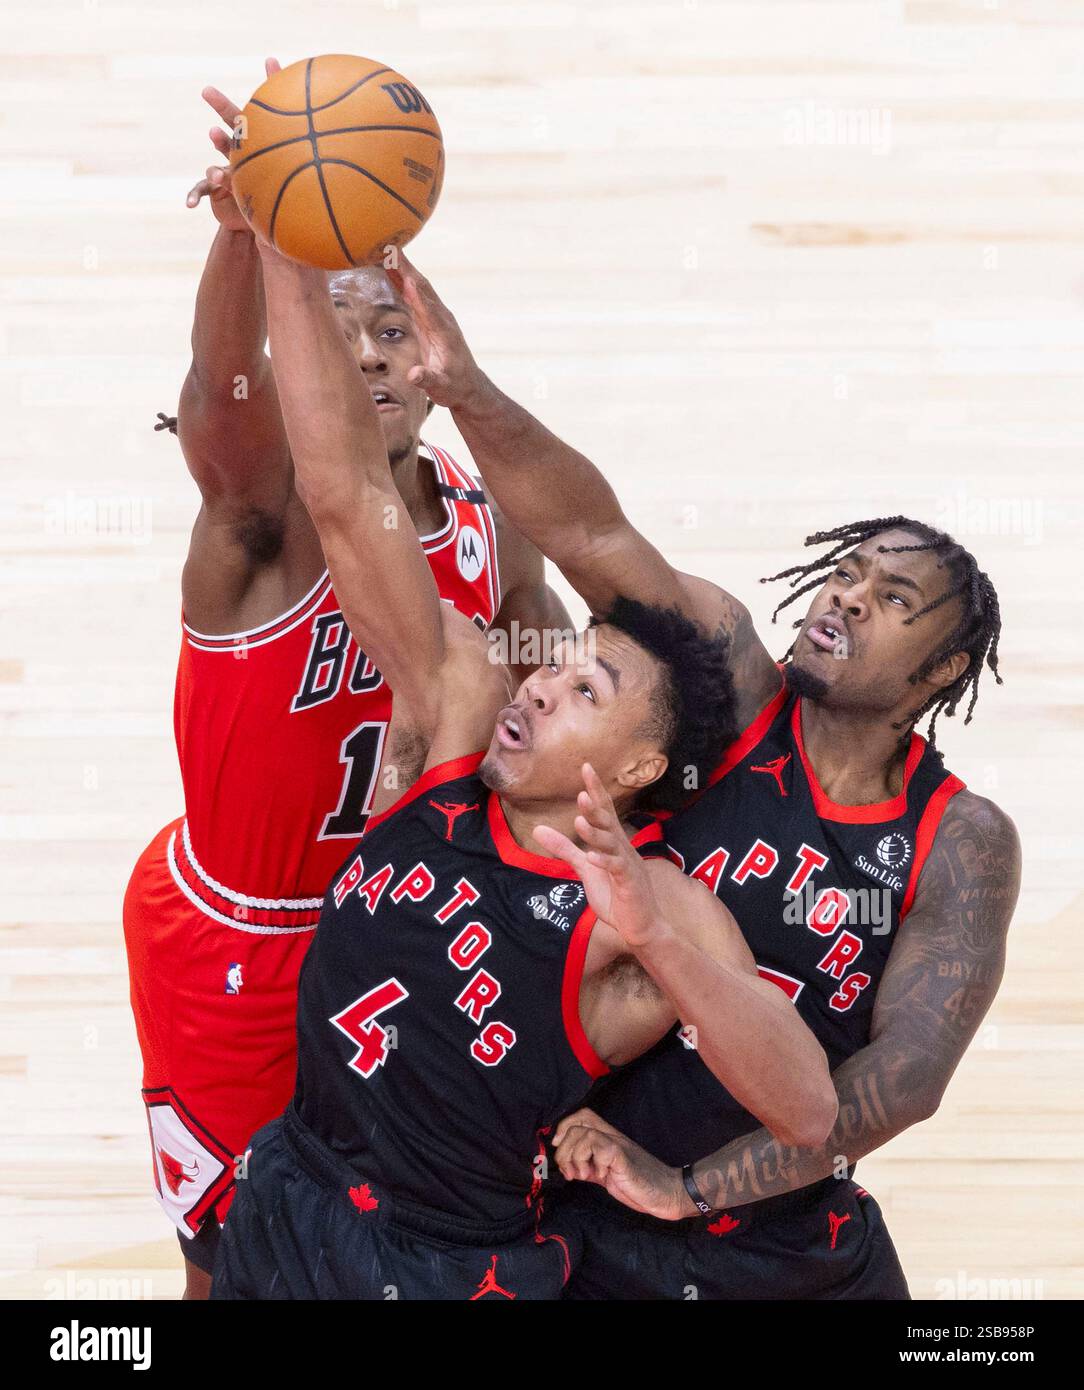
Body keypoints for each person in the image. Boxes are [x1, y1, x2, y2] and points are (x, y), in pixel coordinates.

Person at [210, 227, 838, 1301]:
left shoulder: (653, 908)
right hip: (291, 1186)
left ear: (641, 761)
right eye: (558, 665)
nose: (541, 682)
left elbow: (808, 1113)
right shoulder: (456, 716)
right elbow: (344, 498)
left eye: (585, 689)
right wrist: (282, 245)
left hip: (444, 1264)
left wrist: (655, 942)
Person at [380, 257, 1022, 1299]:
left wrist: (689, 1185)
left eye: (891, 596)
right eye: (848, 570)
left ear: (944, 668)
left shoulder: (959, 839)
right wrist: (464, 389)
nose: (847, 597)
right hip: (579, 1210)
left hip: (780, 1239)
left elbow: (903, 1079)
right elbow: (590, 531)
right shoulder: (722, 690)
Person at [122, 64, 568, 1300]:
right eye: (336, 326)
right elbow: (221, 402)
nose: (369, 352)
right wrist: (242, 243)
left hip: (417, 925)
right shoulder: (259, 534)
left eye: (390, 326)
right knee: (232, 1252)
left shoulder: (491, 513)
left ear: (432, 351)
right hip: (247, 939)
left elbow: (551, 659)